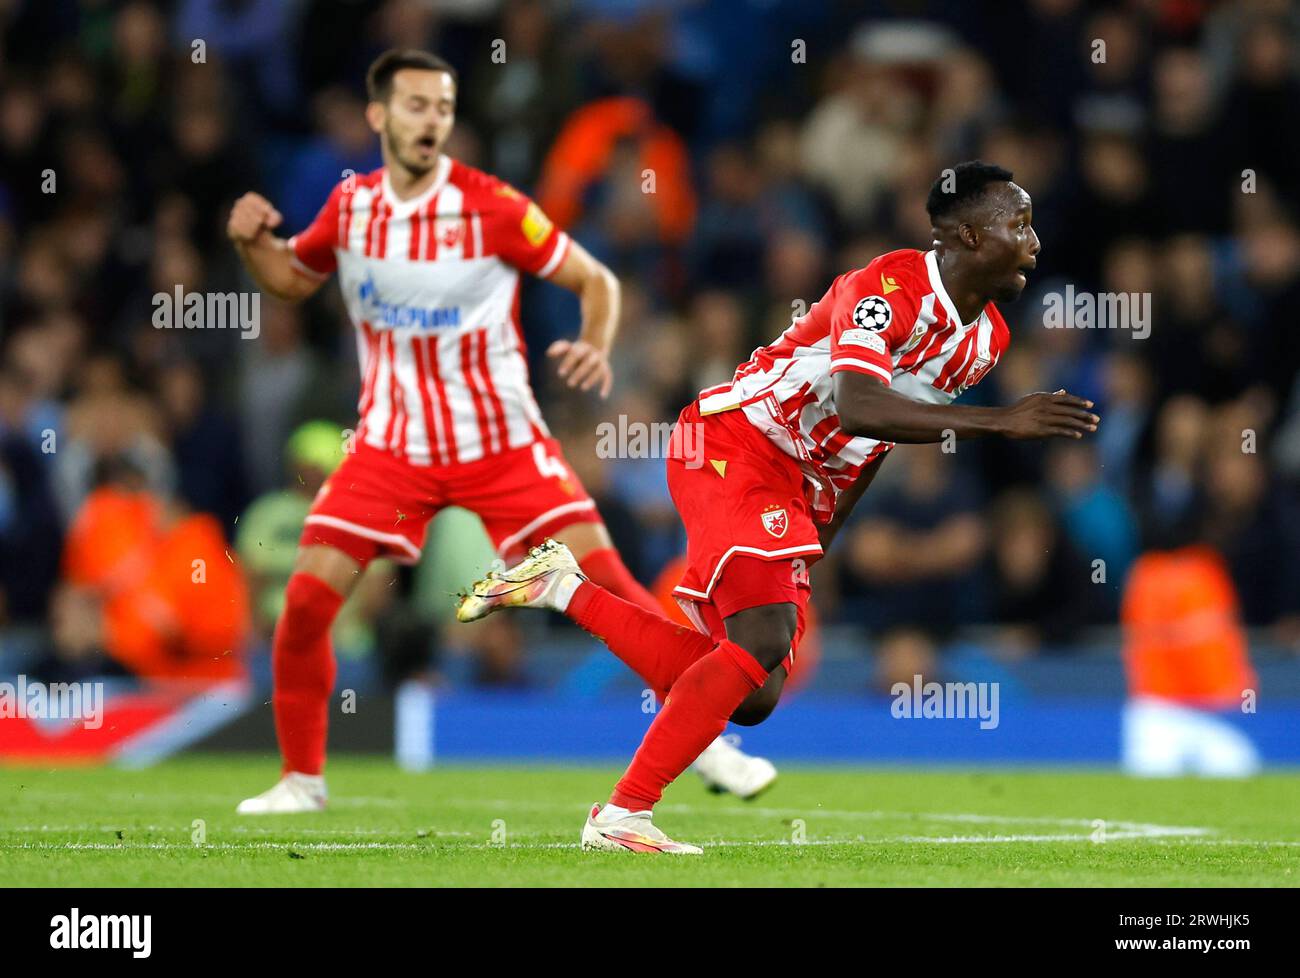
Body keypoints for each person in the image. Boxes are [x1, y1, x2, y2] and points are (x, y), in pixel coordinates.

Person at [458, 161, 1101, 853]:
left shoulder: (987, 341)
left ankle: (561, 586)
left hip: (796, 484)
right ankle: (622, 815)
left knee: (754, 693)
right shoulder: (886, 288)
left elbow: (880, 436)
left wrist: (821, 541)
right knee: (763, 640)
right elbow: (859, 403)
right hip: (734, 441)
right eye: (1020, 224)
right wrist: (1000, 421)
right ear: (970, 234)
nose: (1034, 242)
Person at [226, 48, 770, 813]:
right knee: (308, 603)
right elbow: (290, 277)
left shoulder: (492, 206)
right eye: (415, 105)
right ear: (379, 115)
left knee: (610, 585)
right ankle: (301, 781)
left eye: (443, 108)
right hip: (392, 446)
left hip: (501, 444)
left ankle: (705, 740)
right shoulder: (352, 209)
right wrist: (252, 243)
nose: (431, 121)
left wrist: (593, 342)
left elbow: (594, 279)